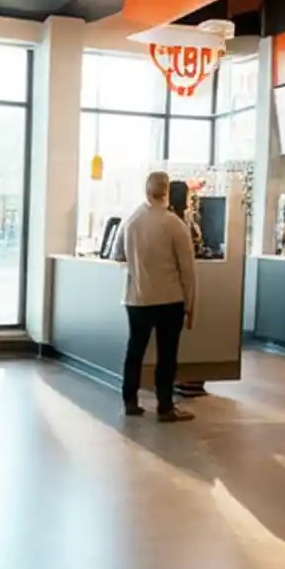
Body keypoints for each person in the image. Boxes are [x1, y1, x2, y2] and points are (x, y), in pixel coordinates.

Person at [111, 171, 198, 423]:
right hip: (170, 299)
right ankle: (165, 406)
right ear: (167, 192)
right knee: (167, 355)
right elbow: (188, 269)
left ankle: (129, 401)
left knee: (135, 350)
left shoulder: (131, 221)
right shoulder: (174, 224)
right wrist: (191, 303)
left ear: (146, 191)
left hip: (137, 298)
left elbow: (118, 255)